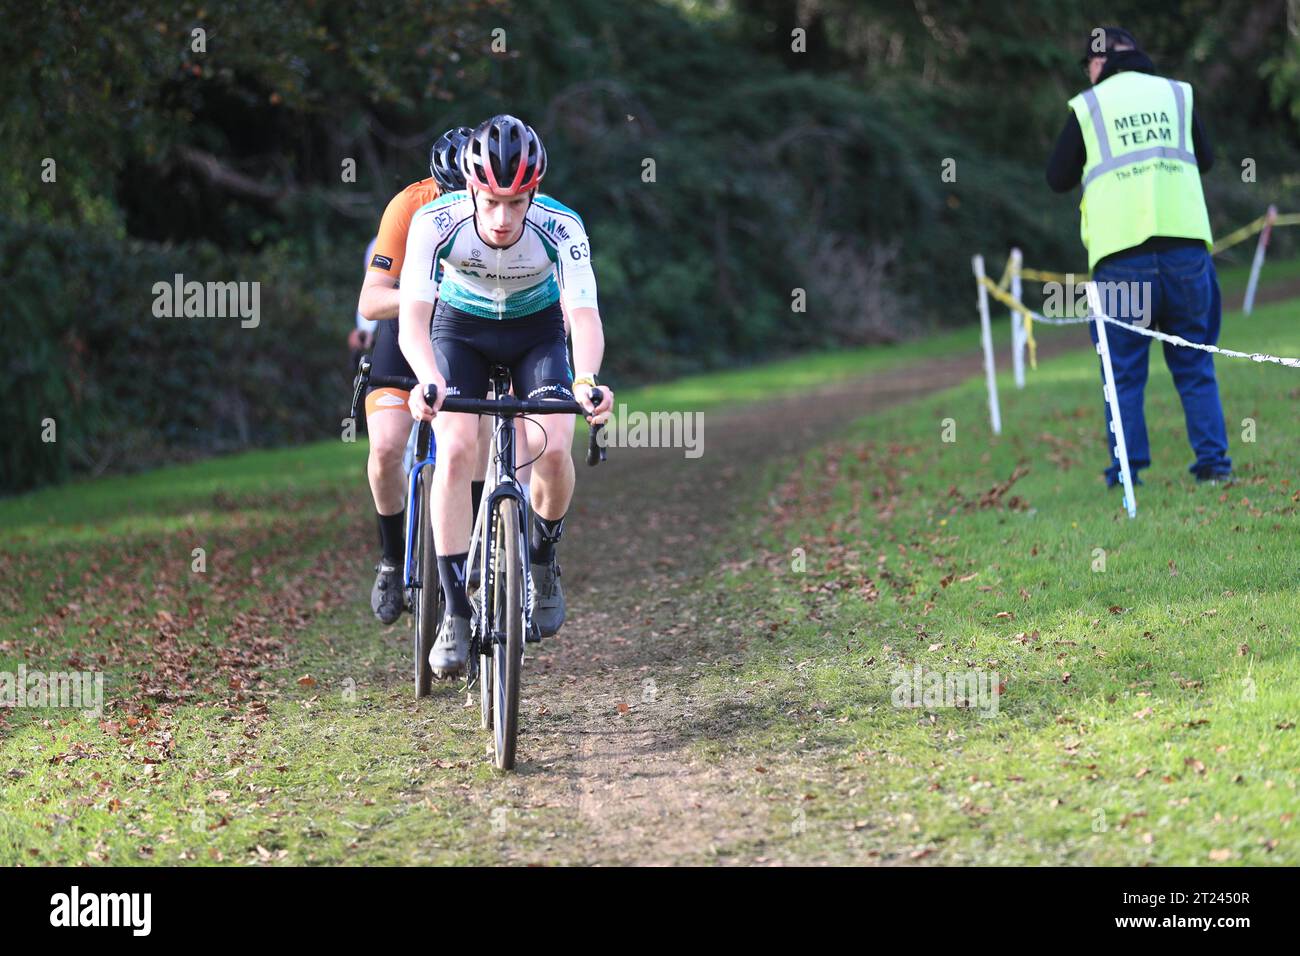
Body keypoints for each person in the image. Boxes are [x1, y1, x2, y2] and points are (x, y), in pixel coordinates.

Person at [398, 114, 613, 678]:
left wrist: (587, 381)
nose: (502, 217)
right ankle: (453, 610)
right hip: (458, 331)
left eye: (516, 202)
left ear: (533, 192)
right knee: (455, 448)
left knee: (554, 446)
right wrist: (426, 378)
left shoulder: (561, 225)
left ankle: (541, 559)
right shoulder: (433, 222)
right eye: (490, 201)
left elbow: (583, 317)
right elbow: (413, 321)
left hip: (535, 332)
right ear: (470, 189)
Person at [1047, 27, 1232, 486]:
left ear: (1100, 60)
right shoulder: (1177, 93)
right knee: (1195, 365)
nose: (1086, 74)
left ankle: (1127, 472)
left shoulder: (1089, 107)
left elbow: (1057, 177)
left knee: (1124, 375)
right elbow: (1206, 160)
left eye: (1086, 65)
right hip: (1185, 253)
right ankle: (1213, 467)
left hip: (1122, 260)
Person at [356, 126, 473, 625]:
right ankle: (389, 556)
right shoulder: (409, 206)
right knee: (384, 449)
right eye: (452, 194)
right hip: (407, 334)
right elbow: (370, 300)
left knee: (467, 446)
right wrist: (424, 294)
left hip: (463, 338)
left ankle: (472, 563)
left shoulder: (502, 207)